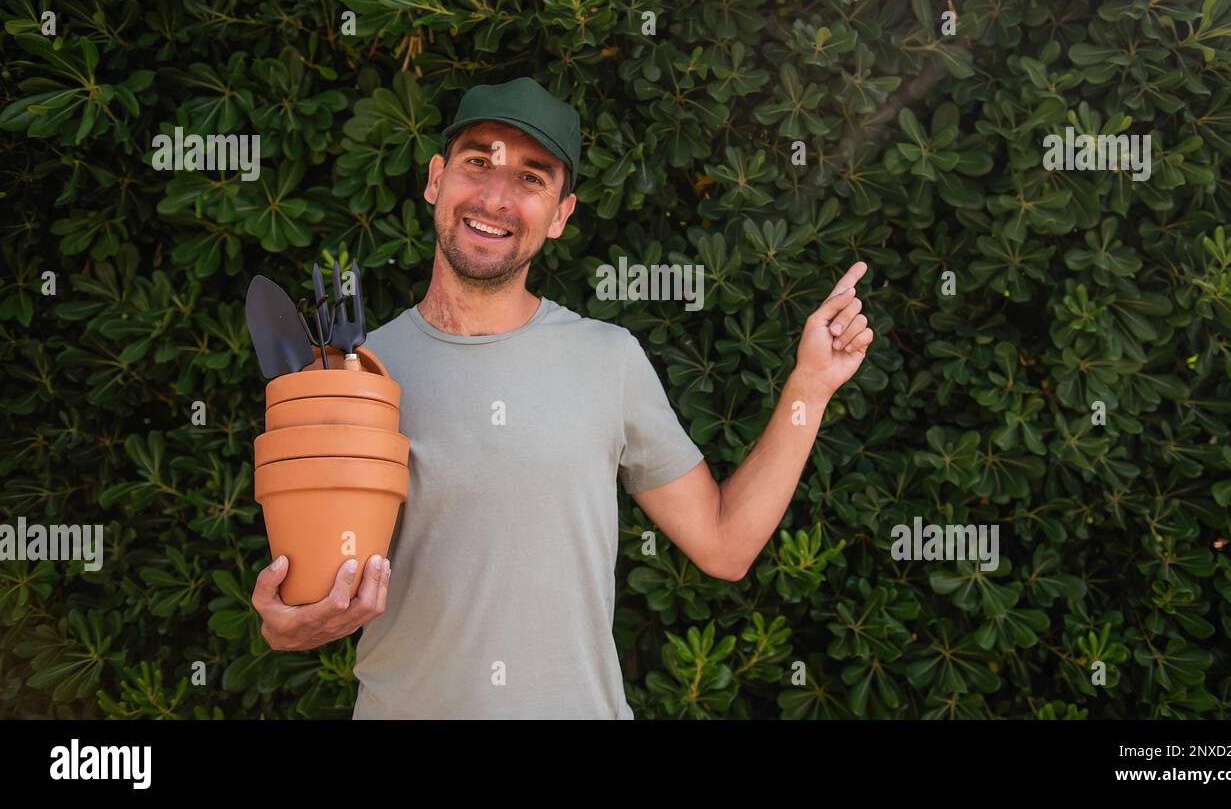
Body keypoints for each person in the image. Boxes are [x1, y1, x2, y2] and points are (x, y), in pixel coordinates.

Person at [251, 76, 877, 718]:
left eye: (531, 177)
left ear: (560, 215)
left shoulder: (608, 361)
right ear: (436, 179)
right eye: (477, 162)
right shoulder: (357, 377)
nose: (495, 196)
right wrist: (284, 625)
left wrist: (810, 385)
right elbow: (309, 591)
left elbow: (724, 544)